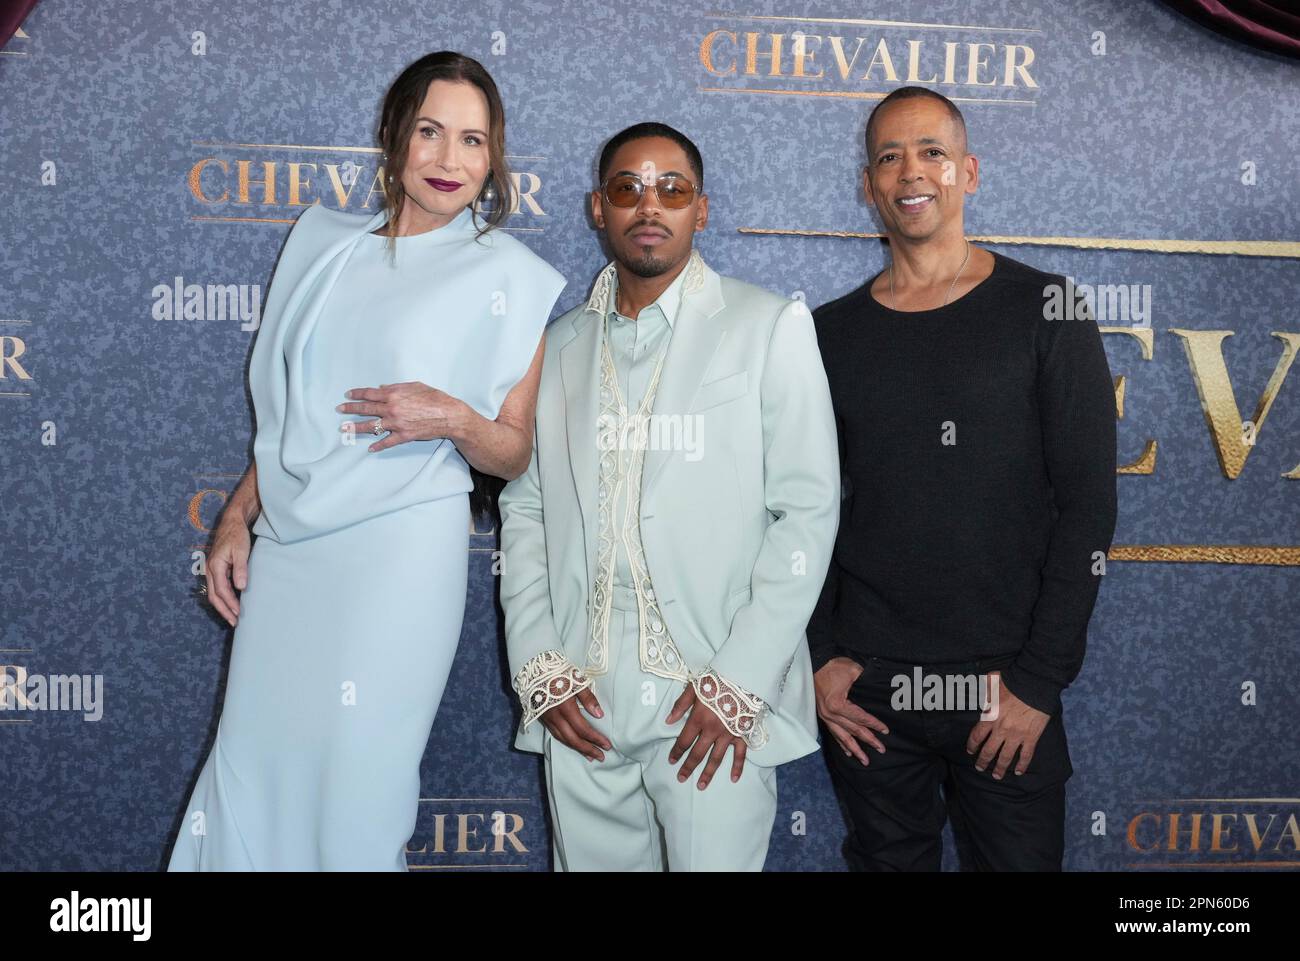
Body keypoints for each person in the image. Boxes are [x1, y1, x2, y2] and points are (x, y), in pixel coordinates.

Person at [168, 51, 566, 870]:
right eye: (430, 132)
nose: (450, 160)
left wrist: (453, 416)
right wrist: (237, 515)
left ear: (495, 158)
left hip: (398, 560)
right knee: (251, 771)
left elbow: (515, 447)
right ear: (393, 135)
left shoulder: (510, 276)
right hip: (290, 554)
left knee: (358, 783)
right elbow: (291, 419)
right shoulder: (322, 246)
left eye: (473, 140)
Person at [498, 122, 840, 871]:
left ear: (702, 209)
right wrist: (541, 667)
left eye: (672, 189)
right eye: (628, 188)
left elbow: (807, 512)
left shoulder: (767, 325)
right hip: (580, 697)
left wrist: (739, 681)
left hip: (709, 691)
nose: (649, 206)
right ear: (598, 208)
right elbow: (524, 513)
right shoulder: (553, 348)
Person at [808, 86, 1117, 871]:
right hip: (872, 693)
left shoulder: (1048, 308)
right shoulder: (827, 335)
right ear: (868, 184)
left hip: (1002, 690)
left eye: (932, 152)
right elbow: (801, 507)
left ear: (968, 172)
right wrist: (820, 655)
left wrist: (1039, 684)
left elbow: (1088, 508)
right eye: (888, 157)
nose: (911, 171)